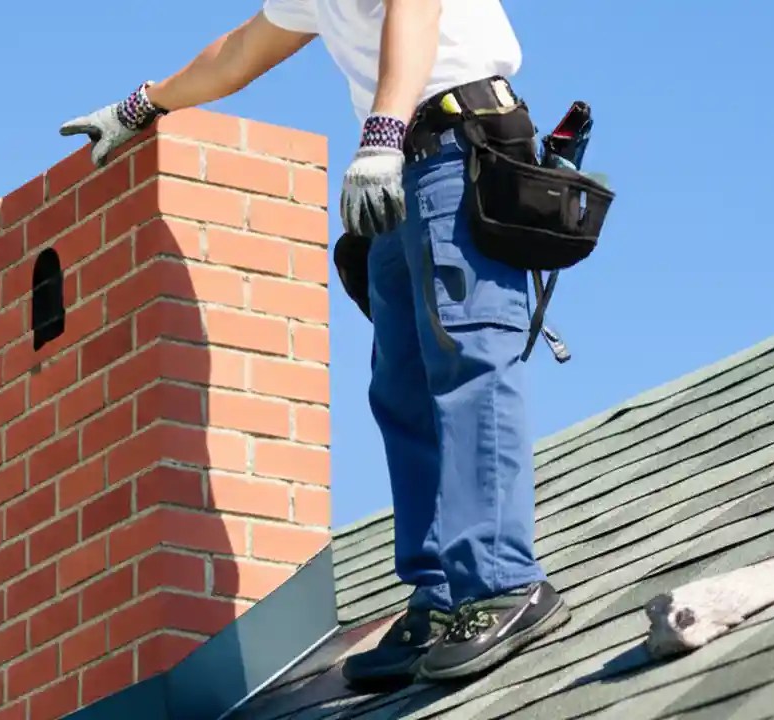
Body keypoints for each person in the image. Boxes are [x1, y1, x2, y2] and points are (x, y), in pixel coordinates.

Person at [58, 0, 570, 687]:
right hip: (398, 168)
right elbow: (242, 50)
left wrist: (382, 133)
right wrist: (141, 107)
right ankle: (441, 594)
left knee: (470, 365)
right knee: (403, 389)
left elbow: (413, 9)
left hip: (458, 145)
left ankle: (502, 584)